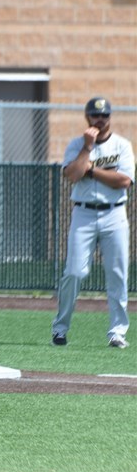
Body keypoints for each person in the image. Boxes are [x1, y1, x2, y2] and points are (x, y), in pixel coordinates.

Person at [52, 97, 134, 348]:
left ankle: (117, 332)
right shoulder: (77, 145)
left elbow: (123, 181)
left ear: (110, 117)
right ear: (87, 117)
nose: (100, 119)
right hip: (84, 214)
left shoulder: (122, 145)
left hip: (114, 214)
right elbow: (72, 175)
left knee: (117, 275)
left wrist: (91, 170)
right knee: (74, 272)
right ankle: (60, 329)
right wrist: (87, 149)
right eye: (95, 115)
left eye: (105, 115)